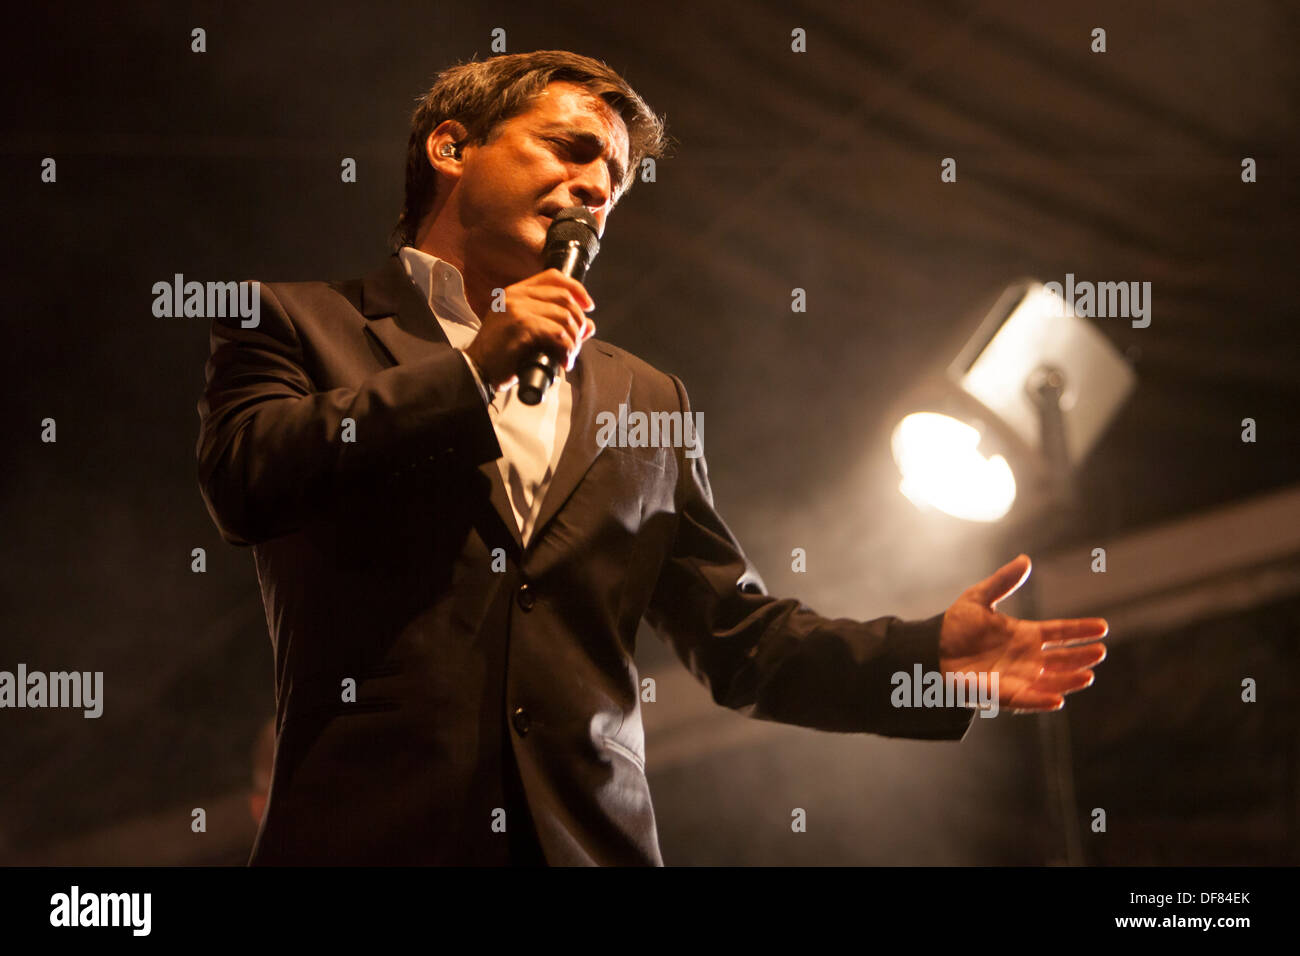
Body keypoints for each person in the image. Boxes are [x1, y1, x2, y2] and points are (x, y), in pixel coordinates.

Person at [196, 50, 1108, 866]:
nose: (598, 185)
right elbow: (248, 480)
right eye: (570, 148)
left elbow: (741, 641)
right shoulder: (295, 322)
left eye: (617, 177)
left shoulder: (644, 399)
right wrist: (473, 373)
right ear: (450, 147)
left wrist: (923, 660)